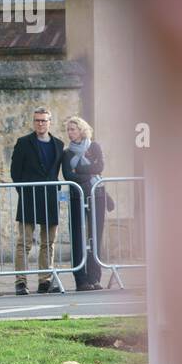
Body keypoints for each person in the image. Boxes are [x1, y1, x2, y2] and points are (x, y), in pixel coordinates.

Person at [10, 107, 65, 294]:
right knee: (24, 242)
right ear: (33, 122)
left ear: (50, 122)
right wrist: (24, 192)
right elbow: (15, 172)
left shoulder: (58, 144)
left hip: (50, 198)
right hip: (29, 196)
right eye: (37, 120)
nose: (40, 123)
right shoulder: (23, 142)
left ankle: (45, 280)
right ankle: (21, 281)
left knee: (48, 242)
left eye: (43, 120)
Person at [60, 116, 107, 292]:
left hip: (97, 194)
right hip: (76, 196)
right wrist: (87, 173)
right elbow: (67, 175)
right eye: (68, 130)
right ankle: (81, 280)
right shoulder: (67, 153)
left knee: (95, 236)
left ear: (81, 129)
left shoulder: (94, 147)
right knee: (77, 237)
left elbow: (100, 167)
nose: (70, 133)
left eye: (73, 129)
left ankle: (95, 278)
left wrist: (79, 170)